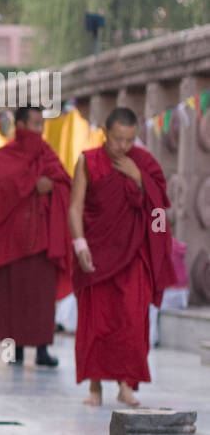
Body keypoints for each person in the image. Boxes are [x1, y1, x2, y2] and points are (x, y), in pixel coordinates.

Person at [69, 106, 176, 407]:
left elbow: (159, 210)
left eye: (129, 140)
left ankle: (126, 384)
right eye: (117, 139)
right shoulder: (87, 161)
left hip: (134, 255)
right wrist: (80, 245)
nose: (123, 147)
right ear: (105, 131)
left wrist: (139, 178)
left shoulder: (144, 163)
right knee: (96, 321)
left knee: (131, 320)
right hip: (98, 253)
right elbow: (75, 207)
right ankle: (94, 387)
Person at [0, 105, 72, 366]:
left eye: (42, 125)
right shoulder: (2, 156)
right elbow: (3, 189)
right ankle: (14, 351)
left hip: (41, 240)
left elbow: (65, 181)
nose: (39, 130)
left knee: (42, 297)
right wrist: (34, 183)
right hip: (12, 240)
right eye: (34, 124)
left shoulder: (47, 154)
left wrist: (52, 186)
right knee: (11, 299)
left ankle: (42, 350)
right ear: (19, 126)